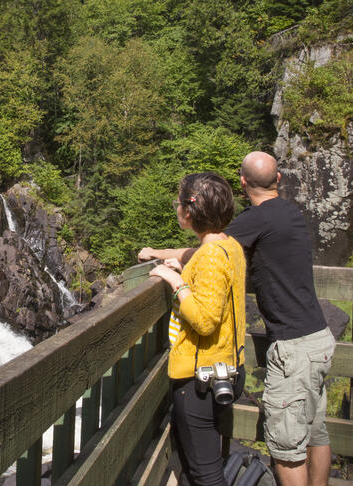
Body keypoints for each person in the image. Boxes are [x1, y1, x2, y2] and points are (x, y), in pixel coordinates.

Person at [139, 152, 336, 486]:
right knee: (316, 434)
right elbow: (213, 252)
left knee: (287, 450)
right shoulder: (289, 212)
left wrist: (171, 274)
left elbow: (209, 262)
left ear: (243, 183)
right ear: (279, 179)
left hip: (290, 350)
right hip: (318, 338)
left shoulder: (251, 224)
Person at [147, 172, 246, 486]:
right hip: (226, 367)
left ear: (188, 212)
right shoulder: (230, 246)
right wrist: (186, 270)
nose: (176, 207)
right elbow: (214, 287)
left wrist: (176, 282)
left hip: (200, 378)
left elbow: (204, 319)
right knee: (199, 466)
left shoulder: (210, 257)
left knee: (206, 475)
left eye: (178, 203)